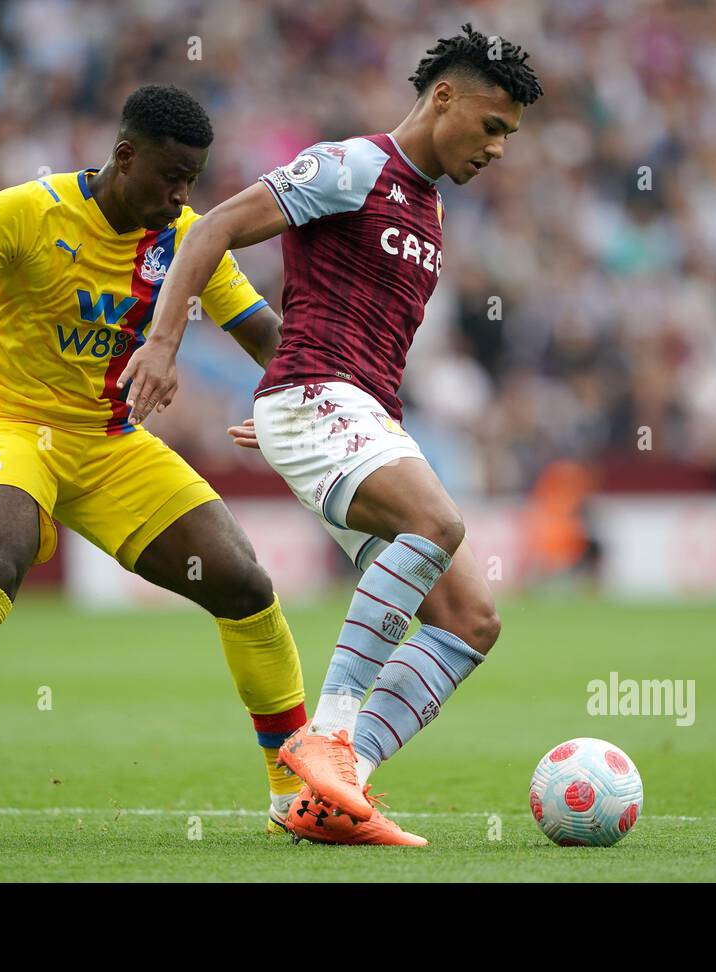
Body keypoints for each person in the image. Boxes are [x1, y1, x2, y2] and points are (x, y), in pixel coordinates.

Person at [0, 84, 329, 844]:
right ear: (124, 157)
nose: (182, 195)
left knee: (245, 584)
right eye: (170, 176)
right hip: (14, 428)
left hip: (113, 445)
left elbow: (262, 333)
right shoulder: (26, 211)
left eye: (193, 180)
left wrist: (327, 390)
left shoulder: (186, 236)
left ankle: (292, 791)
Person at [116, 26, 543, 845]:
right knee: (438, 524)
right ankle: (331, 737)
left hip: (347, 412)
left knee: (470, 620)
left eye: (509, 138)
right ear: (443, 96)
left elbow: (357, 326)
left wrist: (299, 415)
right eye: (492, 126)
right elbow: (210, 232)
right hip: (319, 399)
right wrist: (165, 346)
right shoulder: (351, 165)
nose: (498, 148)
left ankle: (333, 797)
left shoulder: (431, 208)